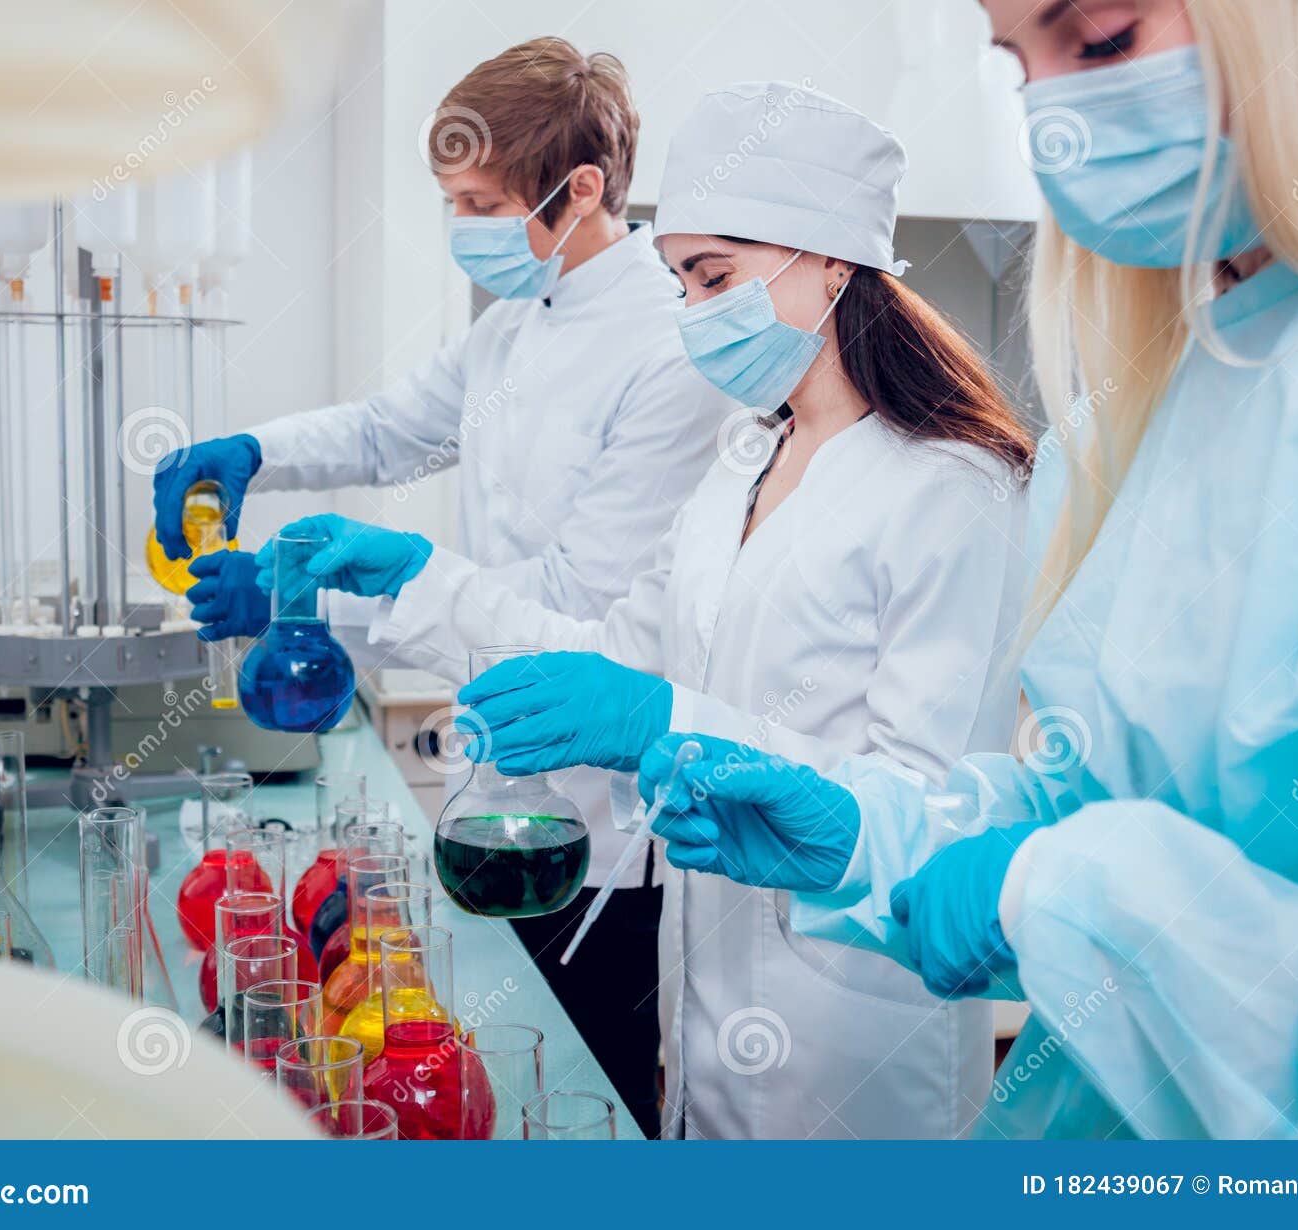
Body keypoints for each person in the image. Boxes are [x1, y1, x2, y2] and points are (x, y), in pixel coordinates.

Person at [636, 0, 1298, 1139]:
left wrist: (1073, 899)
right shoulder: (1140, 414)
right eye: (1017, 65)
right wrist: (862, 835)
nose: (1054, 117)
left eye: (1101, 38)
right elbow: (1079, 802)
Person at [260, 82, 1037, 1140]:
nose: (692, 313)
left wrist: (663, 721)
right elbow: (612, 651)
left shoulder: (951, 487)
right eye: (680, 283)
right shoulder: (742, 466)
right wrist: (414, 580)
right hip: (705, 998)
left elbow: (933, 804)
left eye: (713, 276)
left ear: (832, 260)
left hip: (858, 1027)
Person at [161, 38, 734, 1138]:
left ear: (582, 189)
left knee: (578, 1098)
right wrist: (251, 451)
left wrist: (313, 607)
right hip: (499, 787)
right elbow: (389, 431)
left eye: (481, 203)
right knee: (481, 1076)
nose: (461, 225)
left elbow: (575, 601)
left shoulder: (669, 349)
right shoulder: (515, 322)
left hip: (604, 828)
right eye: (451, 201)